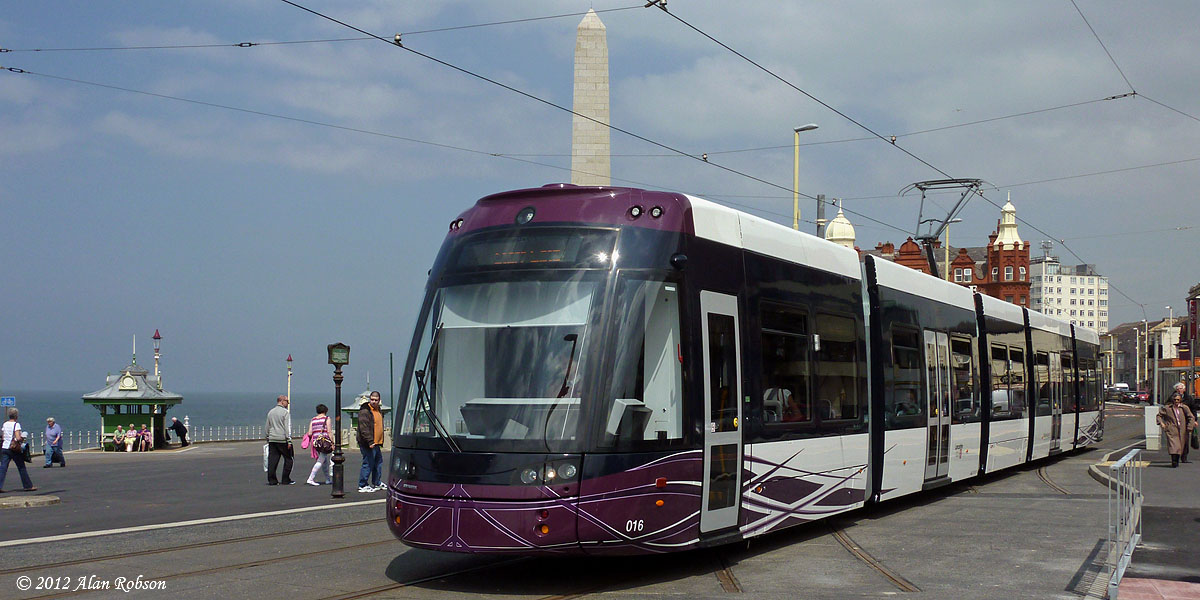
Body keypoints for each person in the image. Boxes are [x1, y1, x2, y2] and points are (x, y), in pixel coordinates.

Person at [1156, 388, 1196, 467]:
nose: (1176, 401)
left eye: (1178, 400)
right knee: (1173, 446)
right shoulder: (1167, 408)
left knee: (1180, 446)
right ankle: (1174, 461)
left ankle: (1177, 459)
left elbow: (1191, 417)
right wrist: (1162, 424)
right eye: (1175, 400)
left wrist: (1189, 427)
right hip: (1171, 430)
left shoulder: (1184, 408)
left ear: (1180, 400)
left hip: (1182, 430)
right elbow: (1159, 416)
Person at [1, 408, 36, 492]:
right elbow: (17, 437)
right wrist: (22, 438)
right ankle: (28, 486)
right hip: (13, 449)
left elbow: (3, 436)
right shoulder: (16, 425)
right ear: (16, 416)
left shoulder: (5, 424)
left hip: (5, 447)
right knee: (21, 467)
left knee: (3, 468)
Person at [357, 391, 385, 493]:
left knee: (378, 462)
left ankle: (376, 482)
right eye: (372, 399)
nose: (373, 401)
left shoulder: (378, 410)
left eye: (376, 400)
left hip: (377, 442)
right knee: (368, 462)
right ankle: (362, 484)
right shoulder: (365, 411)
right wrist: (369, 441)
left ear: (379, 400)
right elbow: (363, 428)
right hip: (368, 443)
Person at [265, 395, 295, 485]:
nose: (287, 403)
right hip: (282, 439)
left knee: (272, 460)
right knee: (289, 459)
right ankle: (286, 479)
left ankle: (272, 480)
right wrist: (289, 440)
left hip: (272, 439)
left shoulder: (271, 412)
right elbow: (287, 427)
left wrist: (267, 437)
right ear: (282, 401)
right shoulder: (285, 412)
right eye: (287, 401)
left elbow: (267, 426)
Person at [305, 404, 334, 486]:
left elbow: (310, 432)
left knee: (323, 461)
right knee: (320, 461)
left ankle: (328, 479)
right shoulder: (327, 419)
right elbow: (329, 431)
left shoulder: (313, 420)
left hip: (315, 443)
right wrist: (332, 442)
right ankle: (310, 478)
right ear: (325, 411)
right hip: (324, 443)